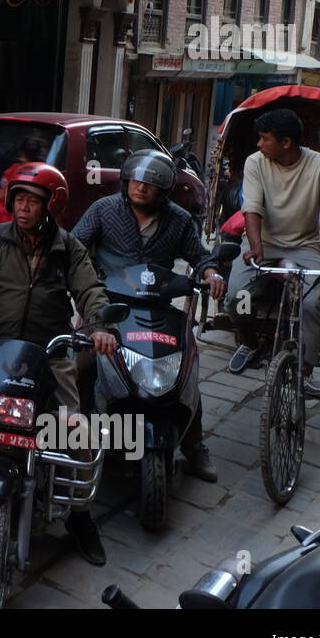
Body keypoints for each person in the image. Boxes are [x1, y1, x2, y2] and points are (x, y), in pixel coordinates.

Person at [0, 161, 114, 565]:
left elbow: (91, 291)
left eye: (33, 200)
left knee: (73, 429)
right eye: (20, 199)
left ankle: (80, 515)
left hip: (50, 353)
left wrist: (99, 326)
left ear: (53, 204)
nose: (24, 207)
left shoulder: (69, 248)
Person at [72, 151, 225, 482]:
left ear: (165, 191)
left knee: (186, 368)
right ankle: (75, 438)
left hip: (157, 305)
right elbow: (74, 248)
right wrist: (82, 282)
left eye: (151, 184)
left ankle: (194, 444)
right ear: (127, 182)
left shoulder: (180, 220)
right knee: (81, 365)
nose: (142, 188)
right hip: (104, 302)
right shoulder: (102, 210)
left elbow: (199, 256)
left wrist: (211, 271)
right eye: (137, 181)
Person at [225, 109, 320, 397]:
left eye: (264, 139)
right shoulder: (256, 163)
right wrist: (255, 246)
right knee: (235, 298)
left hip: (305, 245)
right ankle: (250, 342)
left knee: (311, 306)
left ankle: (305, 372)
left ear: (286, 142)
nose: (259, 144)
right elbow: (251, 207)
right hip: (261, 242)